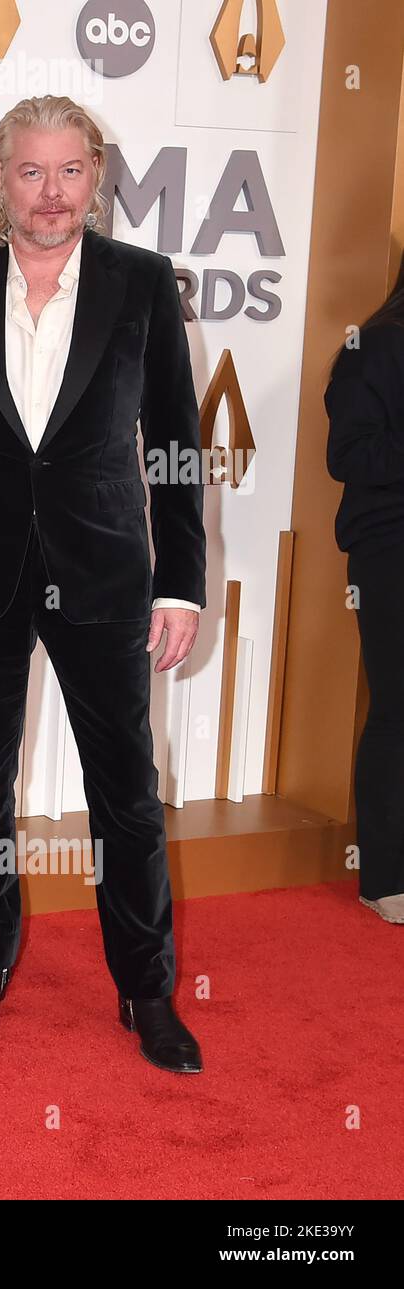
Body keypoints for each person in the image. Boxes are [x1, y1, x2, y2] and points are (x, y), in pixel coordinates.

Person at [0, 95, 207, 1073]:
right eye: (30, 171)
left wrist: (183, 583)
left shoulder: (141, 281)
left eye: (70, 171)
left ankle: (145, 987)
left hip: (105, 570)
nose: (51, 193)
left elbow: (172, 437)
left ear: (96, 176)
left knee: (124, 789)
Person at [326, 256, 404, 925]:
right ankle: (384, 875)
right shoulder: (372, 345)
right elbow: (348, 455)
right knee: (399, 708)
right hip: (392, 550)